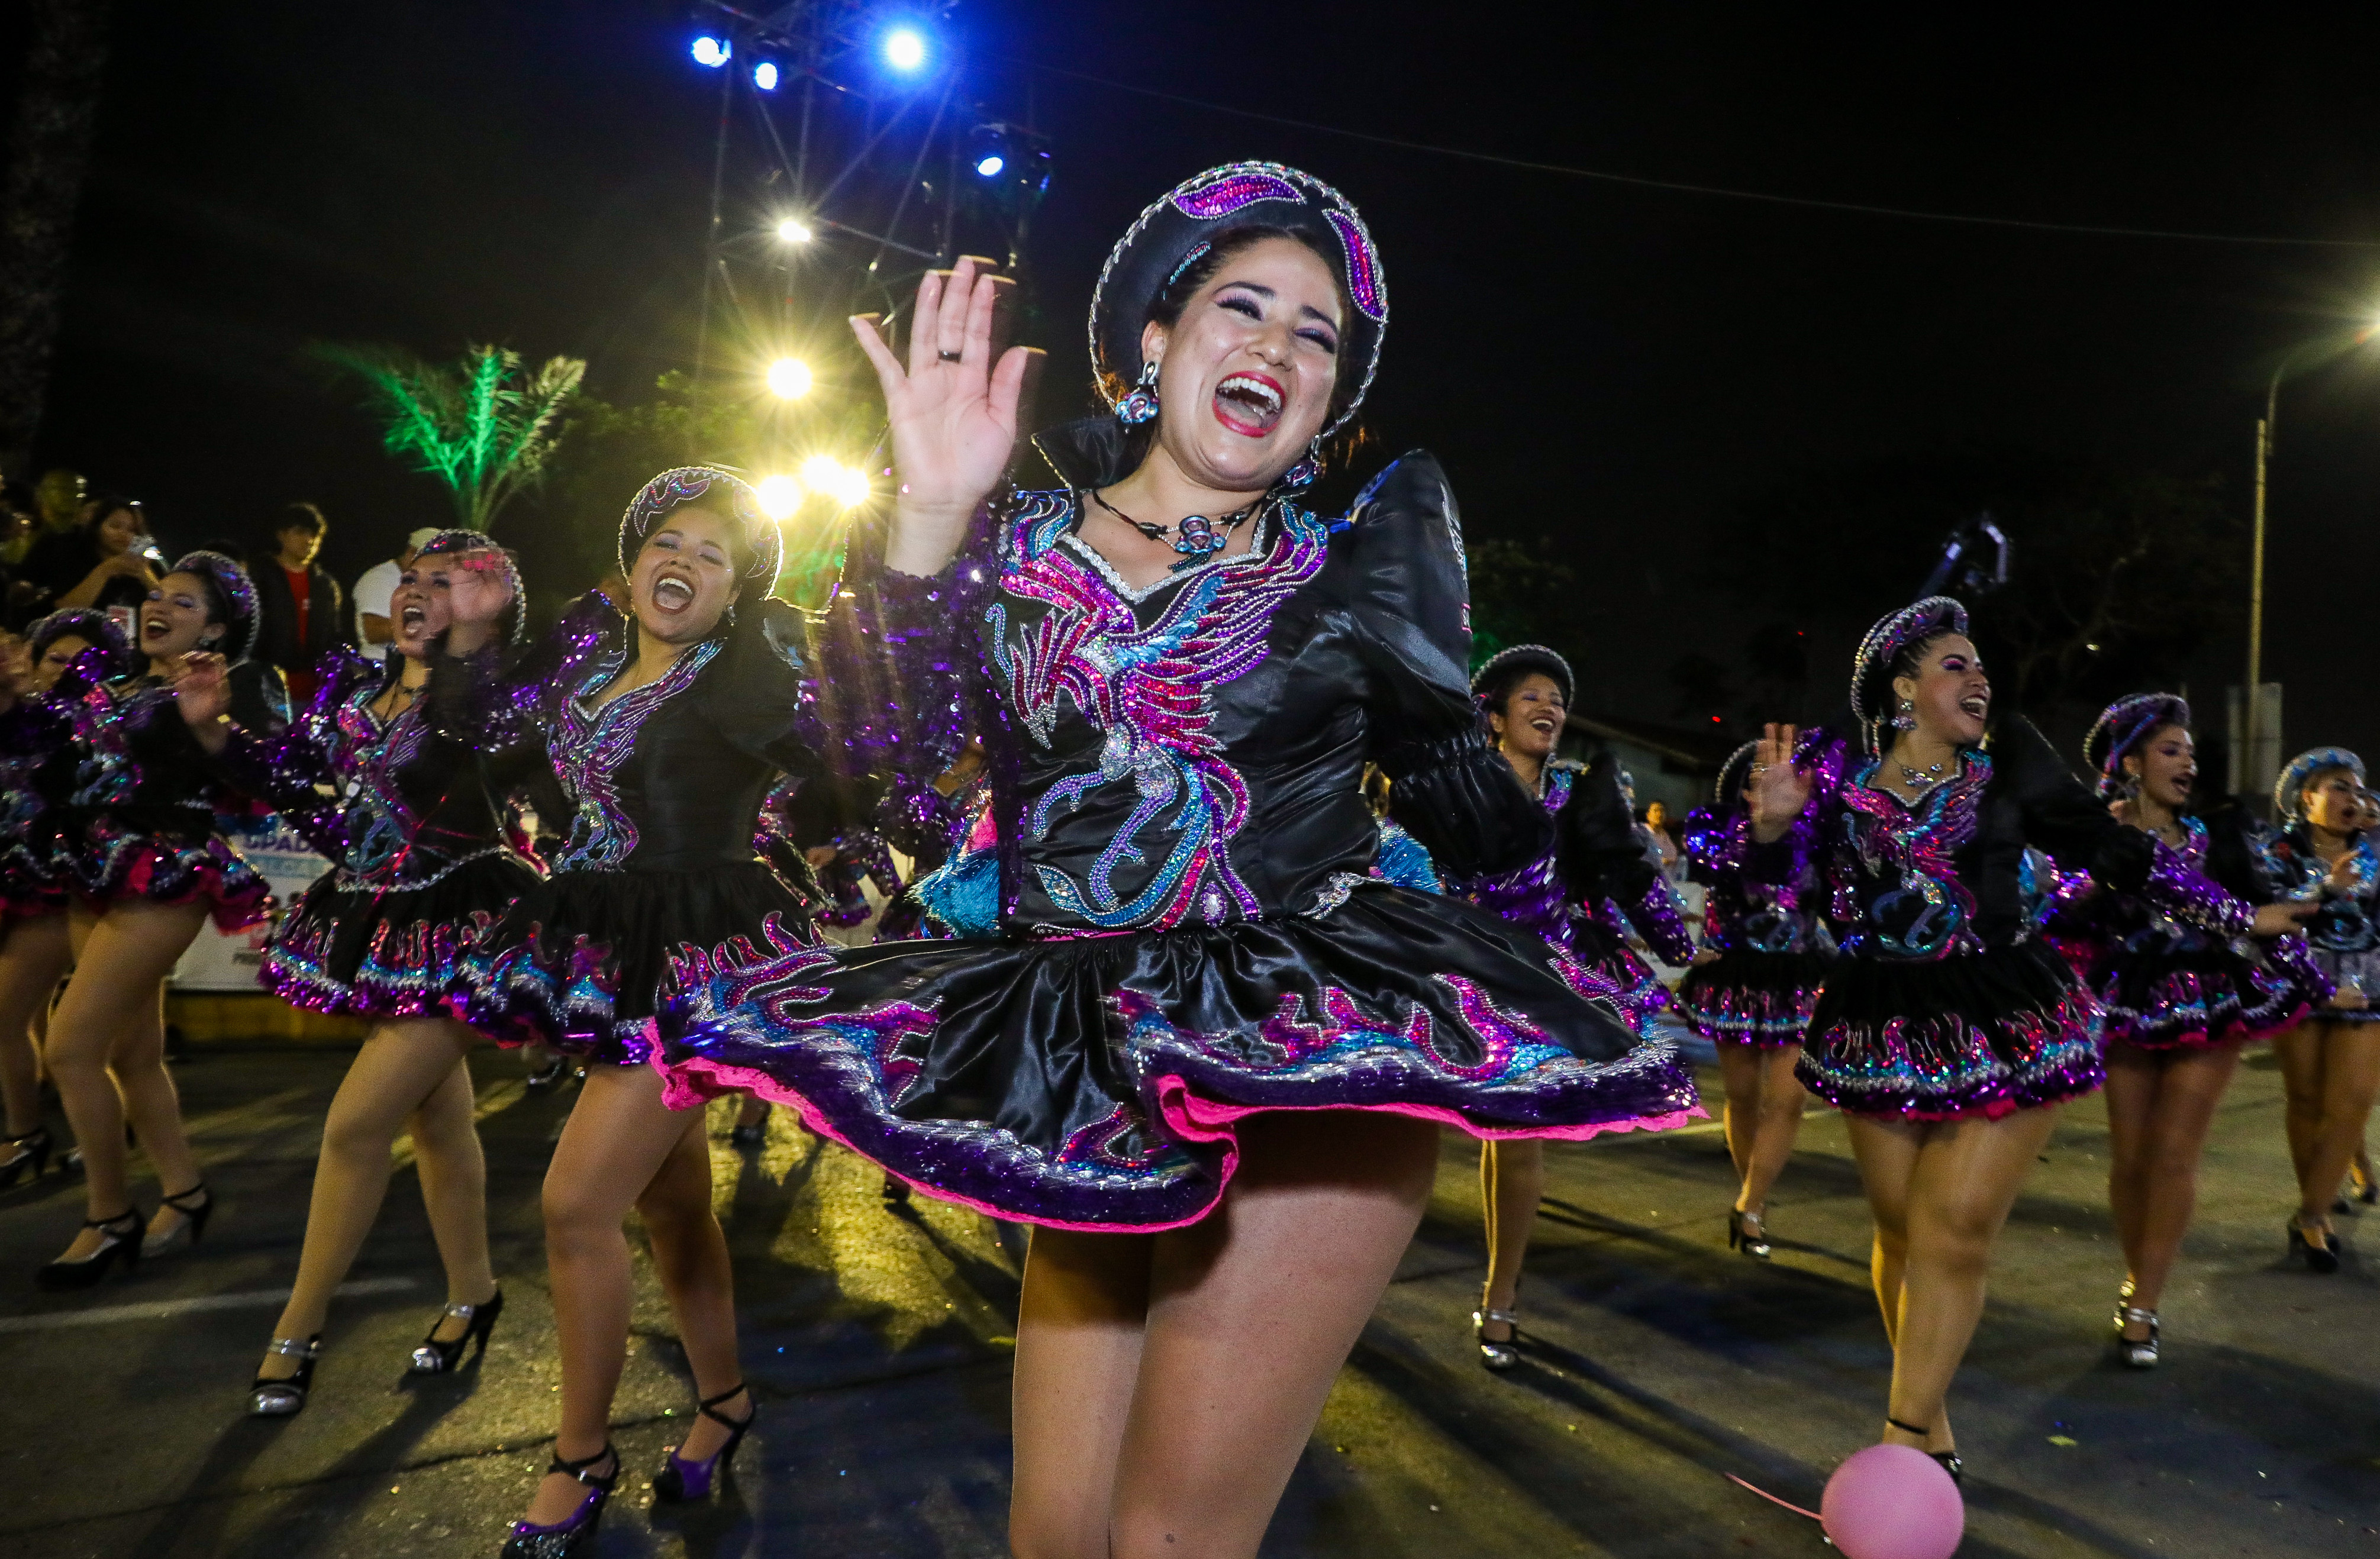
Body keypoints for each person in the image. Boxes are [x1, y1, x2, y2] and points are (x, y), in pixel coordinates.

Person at [653, 169, 1701, 1559]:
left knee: (1167, 1541)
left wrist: (1571, 875)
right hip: (1085, 1055)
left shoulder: (1350, 579)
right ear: (1154, 339)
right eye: (1242, 306)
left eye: (1315, 336)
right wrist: (925, 517)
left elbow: (1487, 826)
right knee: (1056, 1536)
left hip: (1314, 1057)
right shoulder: (1002, 548)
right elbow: (874, 780)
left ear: (1328, 401)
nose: (1275, 346)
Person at [450, 466, 954, 1555]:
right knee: (671, 1210)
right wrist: (484, 636)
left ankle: (579, 1452)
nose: (681, 561)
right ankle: (724, 1401)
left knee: (575, 1206)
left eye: (712, 554)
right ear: (631, 563)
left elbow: (854, 749)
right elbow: (481, 749)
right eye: (666, 542)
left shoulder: (741, 678)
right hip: (607, 953)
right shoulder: (589, 681)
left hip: (695, 964)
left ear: (737, 594)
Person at [1740, 597, 2305, 1481]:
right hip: (1874, 1015)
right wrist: (1771, 829)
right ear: (1902, 686)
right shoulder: (1837, 779)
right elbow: (1786, 894)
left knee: (1952, 1230)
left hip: (2000, 1008)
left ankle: (1898, 1444)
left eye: (1978, 664)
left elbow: (2117, 851)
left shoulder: (2011, 766)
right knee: (1900, 1232)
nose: (1980, 678)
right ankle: (1929, 1420)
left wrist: (2236, 913)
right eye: (1955, 664)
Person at [173, 532, 539, 1415]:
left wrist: (470, 647)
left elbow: (482, 737)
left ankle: (296, 1329)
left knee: (353, 1125)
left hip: (466, 922)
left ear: (482, 602)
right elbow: (313, 814)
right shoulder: (358, 694)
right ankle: (474, 1293)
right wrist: (213, 732)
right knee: (443, 1124)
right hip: (382, 913)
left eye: (443, 581)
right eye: (409, 579)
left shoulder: (485, 697)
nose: (417, 592)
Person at [36, 552, 290, 1287]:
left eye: (184, 604)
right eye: (159, 597)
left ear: (215, 625)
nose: (161, 609)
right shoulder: (114, 687)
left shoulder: (223, 687)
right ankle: (184, 1192)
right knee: (130, 1056)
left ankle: (108, 1213)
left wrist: (208, 727)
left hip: (162, 874)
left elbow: (262, 775)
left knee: (70, 1049)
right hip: (91, 876)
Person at [2051, 696, 2324, 1360]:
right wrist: (2087, 879)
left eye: (2190, 753)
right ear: (2131, 763)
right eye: (2170, 750)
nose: (2186, 763)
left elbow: (2264, 905)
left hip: (2207, 996)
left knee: (2173, 1154)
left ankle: (2144, 1301)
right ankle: (2136, 1271)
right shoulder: (2100, 839)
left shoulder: (2219, 835)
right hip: (2126, 995)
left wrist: (2308, 971)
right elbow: (2056, 910)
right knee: (2131, 1157)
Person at [1448, 644, 1695, 1370]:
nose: (1548, 706)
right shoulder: (1459, 786)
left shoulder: (1576, 790)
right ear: (1492, 714)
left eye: (1556, 697)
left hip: (1543, 985)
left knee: (1515, 1140)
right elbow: (1417, 863)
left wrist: (1675, 943)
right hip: (1458, 975)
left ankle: (1500, 1297)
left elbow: (1624, 865)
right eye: (1529, 695)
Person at [1679, 740, 1834, 1260]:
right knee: (1743, 1096)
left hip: (1799, 978)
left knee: (1790, 1097)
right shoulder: (1716, 832)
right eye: (1762, 776)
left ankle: (1751, 1201)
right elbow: (1712, 869)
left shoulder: (1819, 840)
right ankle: (1753, 1194)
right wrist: (1762, 827)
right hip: (1736, 976)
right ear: (1744, 786)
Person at [0, 611, 134, 1192]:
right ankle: (81, 1128)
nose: (66, 671)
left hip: (65, 887)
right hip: (21, 881)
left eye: (80, 663)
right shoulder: (31, 717)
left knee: (18, 1018)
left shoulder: (100, 726)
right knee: (43, 1021)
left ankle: (30, 1134)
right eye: (55, 658)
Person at [2260, 747, 2380, 1272]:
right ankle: (2318, 1205)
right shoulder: (2277, 850)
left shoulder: (2376, 851)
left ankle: (2310, 1212)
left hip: (2368, 983)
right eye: (2338, 786)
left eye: (2357, 789)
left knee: (2351, 1101)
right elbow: (2267, 907)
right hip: (2300, 979)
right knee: (2306, 1098)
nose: (2352, 798)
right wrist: (2325, 886)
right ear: (2306, 796)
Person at [251, 502, 344, 705]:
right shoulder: (258, 576)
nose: (310, 540)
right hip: (265, 687)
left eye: (316, 535)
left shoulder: (325, 585)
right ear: (282, 535)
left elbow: (333, 636)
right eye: (300, 532)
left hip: (313, 691)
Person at [22, 493, 160, 619]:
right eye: (115, 526)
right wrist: (106, 570)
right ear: (98, 526)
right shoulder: (70, 553)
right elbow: (64, 610)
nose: (124, 534)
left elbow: (166, 604)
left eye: (132, 530)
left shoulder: (147, 565)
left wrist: (145, 574)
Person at [352, 526, 443, 659]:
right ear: (411, 553)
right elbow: (374, 631)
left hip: (414, 671)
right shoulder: (380, 578)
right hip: (379, 670)